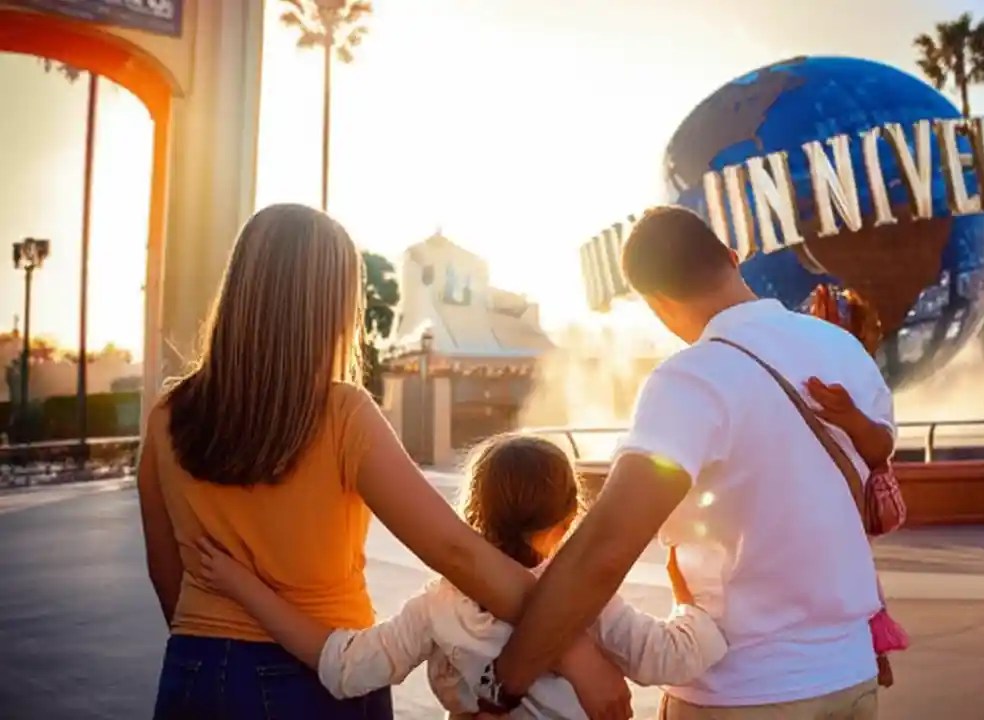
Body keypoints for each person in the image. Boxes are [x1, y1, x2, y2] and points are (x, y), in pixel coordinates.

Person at [138, 204, 630, 720]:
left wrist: (217, 650)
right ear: (331, 306)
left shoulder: (167, 416)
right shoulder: (341, 414)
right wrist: (572, 648)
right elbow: (454, 551)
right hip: (313, 676)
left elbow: (165, 568)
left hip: (191, 671)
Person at [488, 206, 896, 719]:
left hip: (745, 692)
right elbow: (873, 467)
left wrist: (505, 682)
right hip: (851, 679)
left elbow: (608, 547)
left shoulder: (692, 378)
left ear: (655, 300)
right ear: (731, 257)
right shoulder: (846, 349)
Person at [194, 433, 728, 718]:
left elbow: (345, 667)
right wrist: (690, 595)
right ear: (568, 523)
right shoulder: (591, 605)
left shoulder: (438, 605)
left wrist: (244, 584)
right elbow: (672, 657)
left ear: (473, 513)